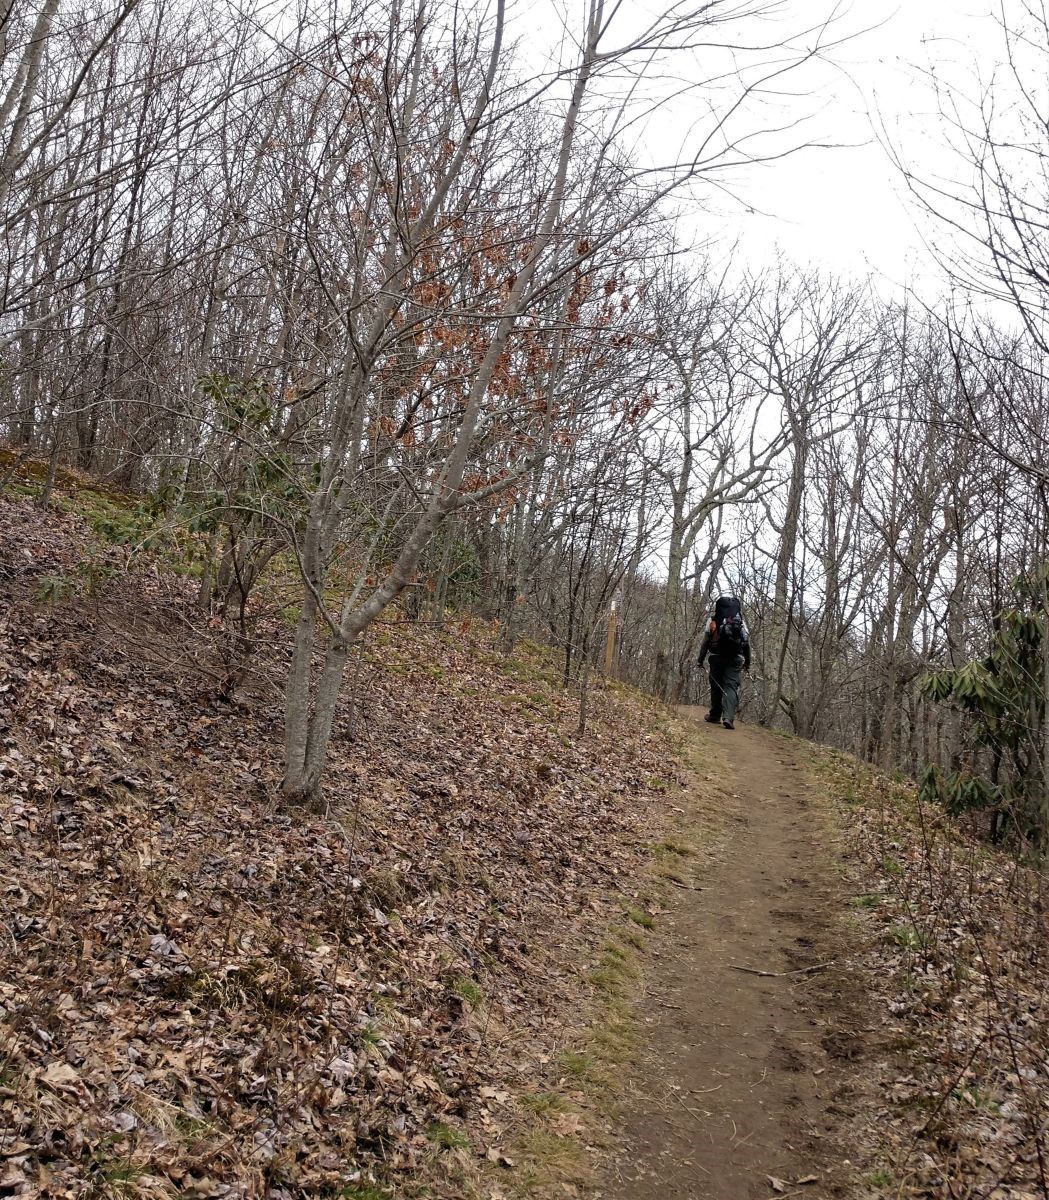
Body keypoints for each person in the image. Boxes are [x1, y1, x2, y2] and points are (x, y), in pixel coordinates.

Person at [697, 595, 751, 730]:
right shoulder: (741, 622)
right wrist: (747, 663)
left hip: (716, 657)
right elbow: (746, 644)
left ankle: (715, 715)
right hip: (735, 658)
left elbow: (705, 642)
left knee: (716, 686)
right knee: (731, 687)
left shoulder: (713, 620)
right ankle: (728, 718)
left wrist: (700, 660)